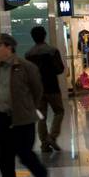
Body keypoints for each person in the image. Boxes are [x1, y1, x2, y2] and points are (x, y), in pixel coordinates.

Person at [0, 34, 49, 177]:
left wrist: (27, 107)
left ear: (8, 47)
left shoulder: (26, 67)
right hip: (2, 118)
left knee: (24, 153)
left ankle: (42, 175)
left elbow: (37, 90)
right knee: (3, 156)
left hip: (22, 119)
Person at [25, 25, 65, 153]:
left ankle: (44, 143)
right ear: (45, 35)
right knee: (59, 111)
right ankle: (52, 137)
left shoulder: (28, 54)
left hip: (37, 90)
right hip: (52, 87)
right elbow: (60, 69)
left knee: (41, 116)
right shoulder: (52, 51)